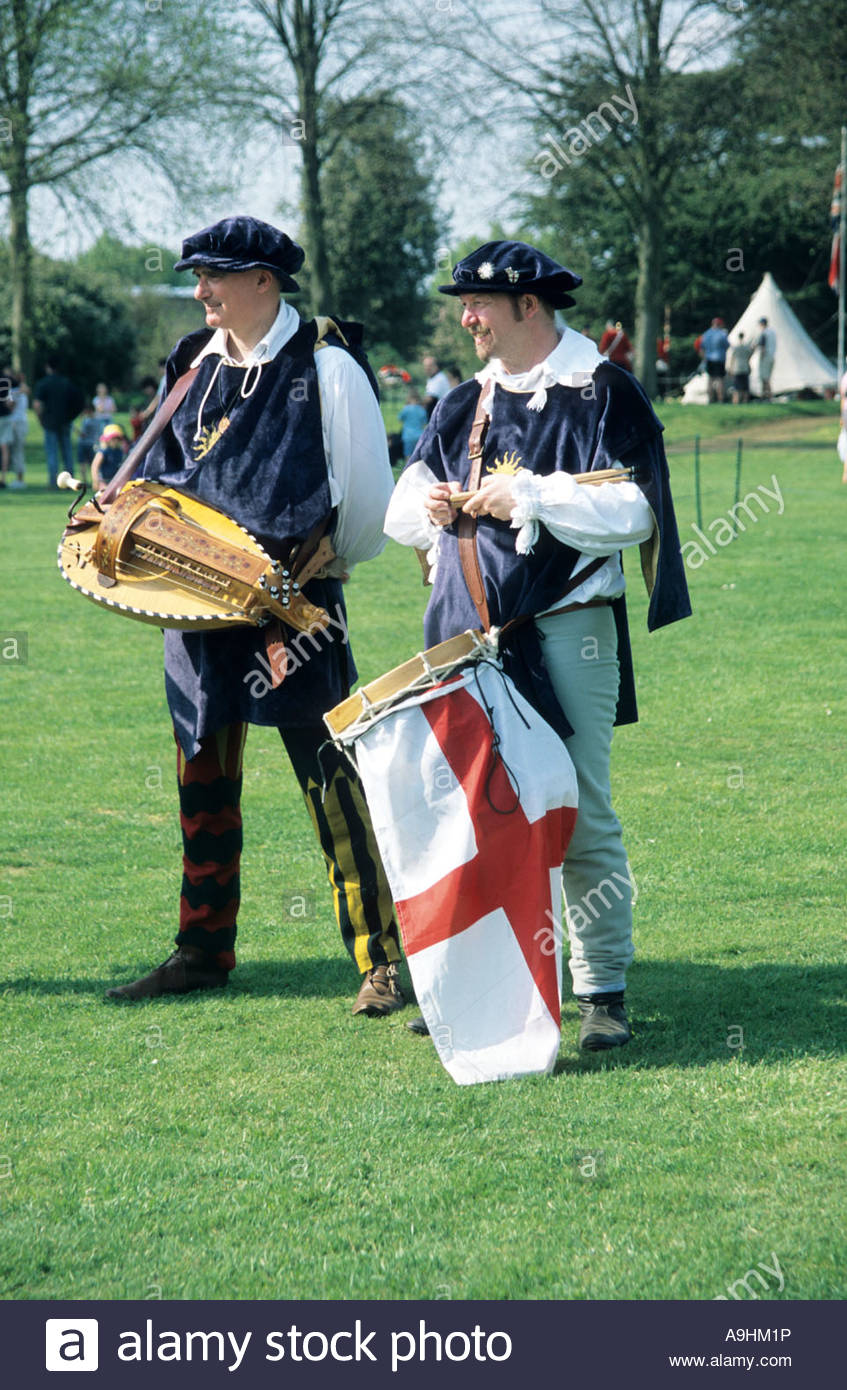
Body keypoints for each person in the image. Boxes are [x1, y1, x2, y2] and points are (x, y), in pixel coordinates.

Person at [384, 239, 691, 1052]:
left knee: (579, 810)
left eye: (478, 303)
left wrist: (532, 495)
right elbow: (399, 506)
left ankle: (601, 990)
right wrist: (441, 506)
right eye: (462, 302)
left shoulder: (603, 392)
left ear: (529, 306)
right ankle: (486, 986)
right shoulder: (461, 403)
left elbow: (637, 511)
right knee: (476, 813)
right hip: (468, 636)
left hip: (570, 632)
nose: (466, 317)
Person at [104, 215, 405, 1017]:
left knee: (328, 780)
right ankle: (201, 949)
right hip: (192, 611)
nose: (199, 291)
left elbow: (367, 501)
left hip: (293, 612)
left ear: (263, 282)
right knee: (201, 778)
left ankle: (382, 959)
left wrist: (314, 571)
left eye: (214, 276)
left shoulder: (327, 366)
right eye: (196, 276)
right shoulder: (192, 363)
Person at [33, 360, 84, 487]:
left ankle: (53, 481)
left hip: (50, 422)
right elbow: (79, 402)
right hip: (65, 422)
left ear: (47, 367)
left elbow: (37, 405)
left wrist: (41, 419)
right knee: (67, 452)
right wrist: (71, 417)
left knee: (52, 453)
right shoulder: (66, 383)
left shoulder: (43, 384)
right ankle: (71, 482)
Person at [91, 422, 129, 490]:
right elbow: (95, 466)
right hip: (103, 481)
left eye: (117, 439)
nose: (115, 441)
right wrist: (96, 481)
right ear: (107, 440)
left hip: (115, 481)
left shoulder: (119, 451)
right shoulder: (103, 452)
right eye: (113, 439)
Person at [700, 317, 729, 403]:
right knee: (720, 379)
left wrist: (704, 358)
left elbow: (702, 348)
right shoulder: (722, 334)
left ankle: (710, 399)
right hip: (719, 359)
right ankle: (720, 399)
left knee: (710, 379)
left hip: (709, 359)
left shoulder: (706, 334)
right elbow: (727, 346)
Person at [398, 388, 429, 461]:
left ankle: (408, 470)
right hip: (419, 435)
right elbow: (424, 423)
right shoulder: (422, 410)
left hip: (408, 436)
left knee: (408, 455)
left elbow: (400, 418)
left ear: (409, 398)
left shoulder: (406, 409)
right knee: (418, 455)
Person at [75, 405, 101, 486]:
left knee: (82, 463)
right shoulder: (97, 421)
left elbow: (83, 434)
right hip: (93, 443)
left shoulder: (87, 421)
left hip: (84, 444)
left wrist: (74, 428)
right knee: (92, 464)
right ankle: (95, 481)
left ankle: (85, 481)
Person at [727, 332, 754, 404]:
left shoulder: (735, 347)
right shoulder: (746, 347)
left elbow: (732, 358)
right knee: (745, 387)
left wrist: (730, 368)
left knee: (736, 387)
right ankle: (745, 401)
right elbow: (749, 356)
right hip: (745, 367)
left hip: (737, 368)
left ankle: (736, 401)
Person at [754, 317, 777, 399]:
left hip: (766, 357)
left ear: (762, 324)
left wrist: (762, 357)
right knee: (767, 378)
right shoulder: (772, 332)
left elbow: (762, 347)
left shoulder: (764, 333)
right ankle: (764, 396)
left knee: (765, 378)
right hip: (772, 356)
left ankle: (768, 396)